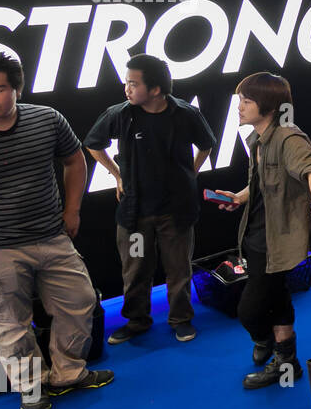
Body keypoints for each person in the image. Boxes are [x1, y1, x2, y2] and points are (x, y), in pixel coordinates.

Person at [0, 51, 112, 409]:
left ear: (16, 88)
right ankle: (30, 387)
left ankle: (69, 373)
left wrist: (72, 208)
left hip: (51, 235)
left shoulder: (46, 119)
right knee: (9, 322)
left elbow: (74, 159)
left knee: (79, 303)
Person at [213, 72, 311, 389]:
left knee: (250, 311)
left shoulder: (288, 138)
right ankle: (287, 361)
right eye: (240, 99)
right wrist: (240, 197)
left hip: (276, 239)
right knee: (276, 295)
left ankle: (266, 342)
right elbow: (264, 183)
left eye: (247, 101)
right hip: (255, 236)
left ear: (268, 105)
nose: (239, 107)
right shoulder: (258, 139)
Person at [85, 54, 218, 345]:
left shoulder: (185, 114)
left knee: (178, 269)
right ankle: (137, 320)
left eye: (133, 84)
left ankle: (181, 319)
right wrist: (118, 175)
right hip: (135, 212)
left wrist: (189, 174)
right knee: (135, 270)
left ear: (155, 89)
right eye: (126, 83)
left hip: (177, 211)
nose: (127, 89)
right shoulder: (120, 114)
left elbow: (207, 145)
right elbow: (93, 144)